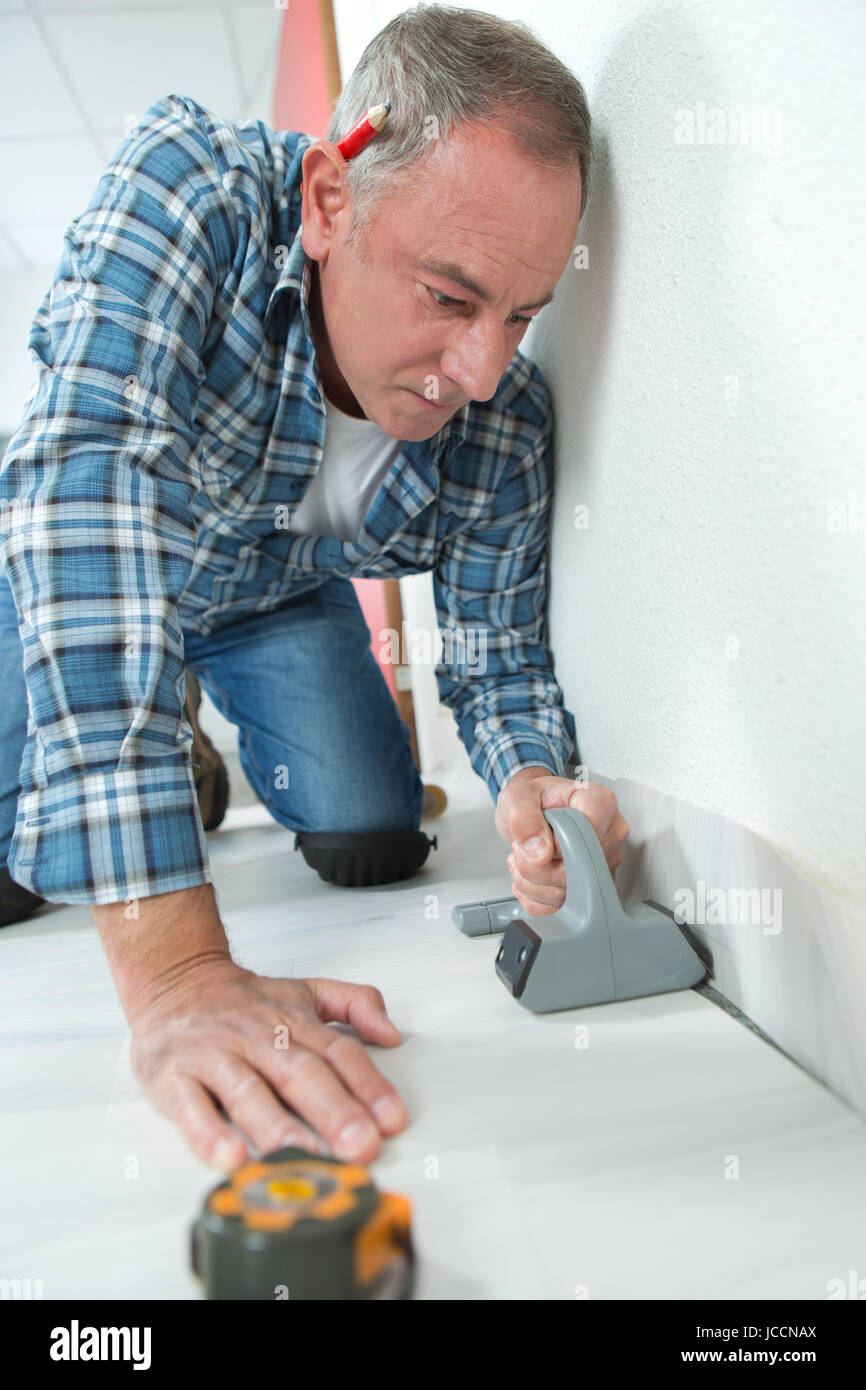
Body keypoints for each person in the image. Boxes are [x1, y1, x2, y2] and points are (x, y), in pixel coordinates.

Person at [0, 6, 628, 1171]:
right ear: (331, 201)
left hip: (269, 599)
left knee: (371, 837)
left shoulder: (505, 417)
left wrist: (535, 786)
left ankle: (184, 721)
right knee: (17, 869)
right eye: (450, 297)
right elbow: (90, 496)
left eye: (522, 314)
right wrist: (178, 970)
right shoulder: (193, 189)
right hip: (78, 571)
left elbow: (496, 657)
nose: (481, 373)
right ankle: (162, 729)